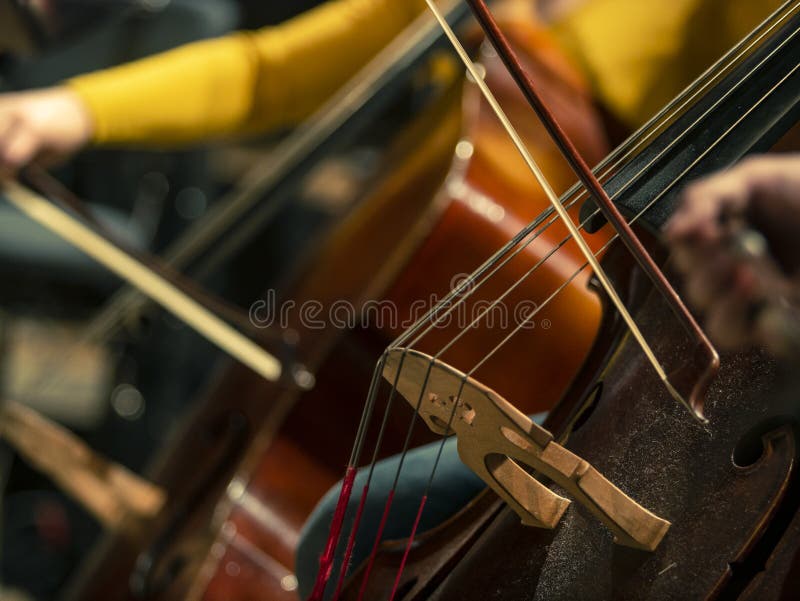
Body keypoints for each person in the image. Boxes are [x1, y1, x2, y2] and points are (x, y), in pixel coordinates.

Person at [0, 0, 787, 597]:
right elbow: (275, 68)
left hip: (641, 357)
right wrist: (72, 110)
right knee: (345, 528)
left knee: (355, 526)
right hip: (537, 353)